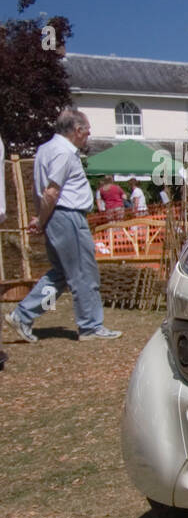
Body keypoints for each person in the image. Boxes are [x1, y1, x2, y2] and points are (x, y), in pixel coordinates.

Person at [4, 109, 121, 343]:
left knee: (60, 274)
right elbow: (52, 191)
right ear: (77, 131)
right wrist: (44, 218)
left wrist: (41, 218)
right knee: (83, 274)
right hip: (68, 217)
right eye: (87, 132)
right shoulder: (64, 153)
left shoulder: (45, 150)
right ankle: (90, 326)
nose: (88, 136)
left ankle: (23, 315)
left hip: (57, 217)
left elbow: (46, 192)